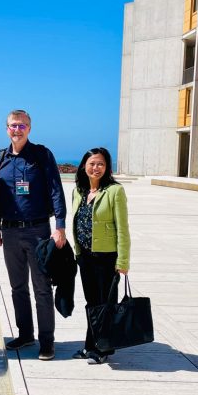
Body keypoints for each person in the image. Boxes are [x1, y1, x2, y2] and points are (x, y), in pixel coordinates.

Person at [0, 109, 66, 361]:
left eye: (22, 126)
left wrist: (60, 226)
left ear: (29, 129)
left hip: (38, 231)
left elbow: (56, 190)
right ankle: (25, 335)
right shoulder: (0, 159)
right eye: (13, 125)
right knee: (17, 287)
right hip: (10, 231)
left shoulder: (42, 155)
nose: (17, 130)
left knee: (42, 287)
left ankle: (47, 342)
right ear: (7, 129)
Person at [70, 147, 130, 364]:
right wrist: (78, 252)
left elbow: (123, 229)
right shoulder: (79, 191)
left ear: (107, 168)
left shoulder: (114, 191)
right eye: (92, 163)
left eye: (101, 164)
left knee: (106, 304)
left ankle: (103, 348)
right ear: (84, 166)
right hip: (85, 257)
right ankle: (90, 345)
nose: (96, 168)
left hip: (107, 257)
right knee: (92, 303)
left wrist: (123, 261)